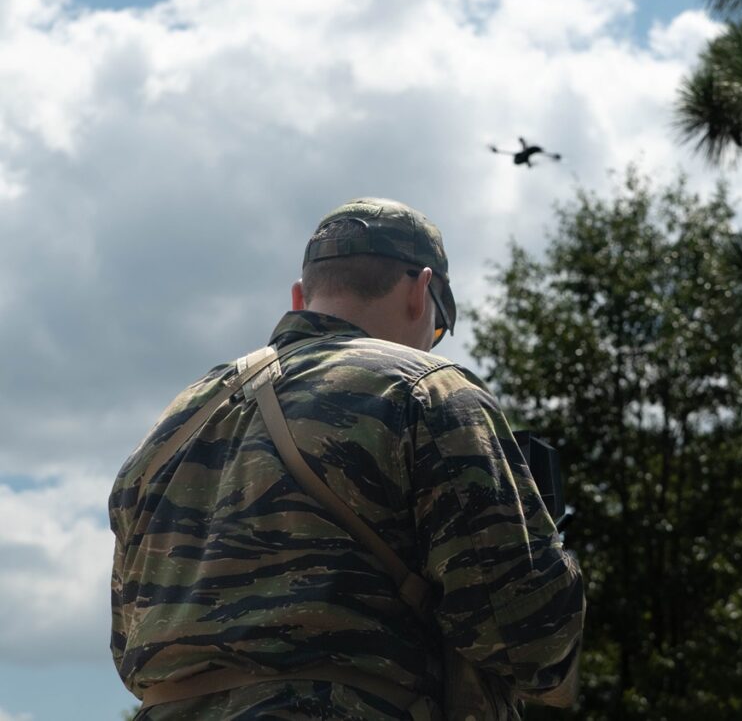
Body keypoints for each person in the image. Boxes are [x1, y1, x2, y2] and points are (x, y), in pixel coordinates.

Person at [108, 197, 585, 720]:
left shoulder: (172, 426)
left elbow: (128, 643)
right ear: (420, 289)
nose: (435, 341)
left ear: (301, 296)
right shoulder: (426, 390)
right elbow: (531, 642)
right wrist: (548, 540)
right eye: (441, 325)